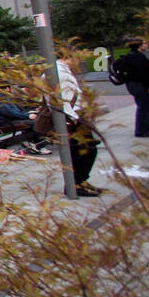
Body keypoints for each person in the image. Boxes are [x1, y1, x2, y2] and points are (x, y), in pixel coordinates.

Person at [55, 59, 102, 197]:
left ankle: (80, 181)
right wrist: (72, 116)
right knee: (85, 150)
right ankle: (76, 183)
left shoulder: (62, 70)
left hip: (74, 115)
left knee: (82, 150)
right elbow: (59, 97)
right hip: (73, 117)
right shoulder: (59, 71)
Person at [116, 37, 149, 138]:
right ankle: (142, 130)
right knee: (144, 107)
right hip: (140, 85)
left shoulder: (131, 55)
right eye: (144, 43)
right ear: (139, 46)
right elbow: (144, 73)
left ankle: (144, 128)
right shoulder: (137, 57)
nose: (146, 45)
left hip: (133, 85)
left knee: (143, 107)